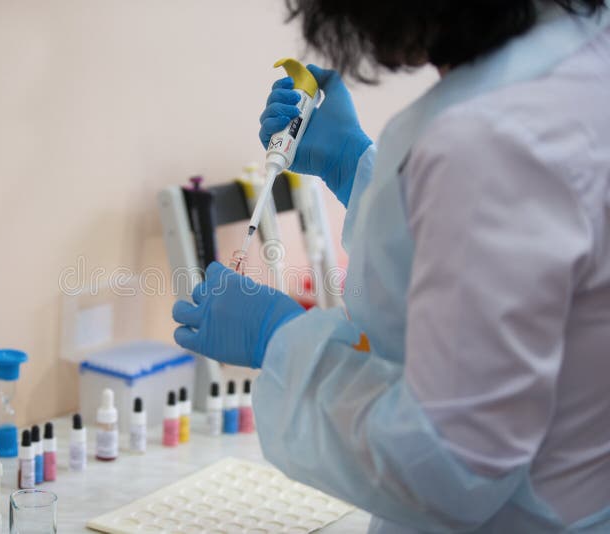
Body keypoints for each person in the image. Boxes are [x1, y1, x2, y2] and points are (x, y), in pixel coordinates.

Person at [172, 1, 610, 532]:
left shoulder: (490, 140)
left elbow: (445, 467)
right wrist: (356, 167)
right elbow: (488, 260)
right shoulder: (581, 57)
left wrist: (282, 340)